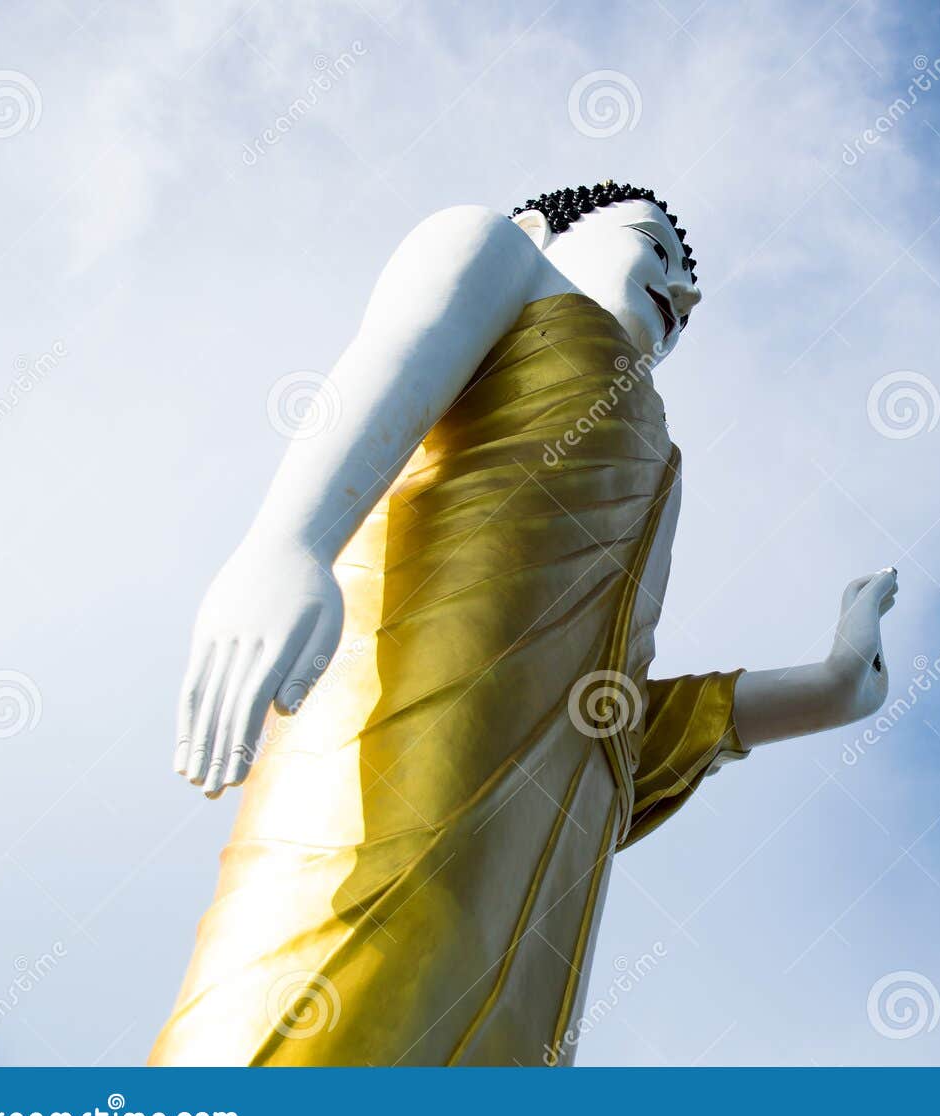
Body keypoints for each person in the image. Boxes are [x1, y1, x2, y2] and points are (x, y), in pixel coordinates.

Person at [151, 182, 898, 1065]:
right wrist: (289, 543)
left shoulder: (660, 463)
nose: (682, 293)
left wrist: (835, 683)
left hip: (537, 895)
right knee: (307, 1015)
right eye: (654, 249)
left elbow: (610, 711)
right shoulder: (507, 256)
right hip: (400, 749)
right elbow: (393, 352)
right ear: (546, 228)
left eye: (688, 287)